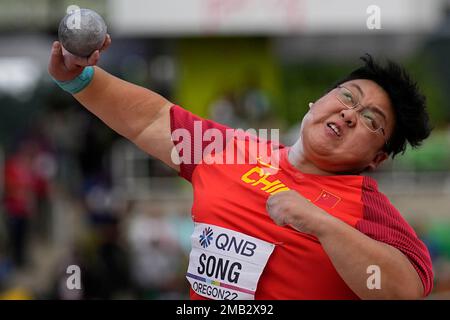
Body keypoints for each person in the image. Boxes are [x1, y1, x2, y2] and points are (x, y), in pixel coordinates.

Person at [48, 35, 433, 300]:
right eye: (348, 96)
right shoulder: (230, 150)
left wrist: (320, 222)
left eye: (371, 120)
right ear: (317, 101)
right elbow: (151, 119)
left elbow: (406, 289)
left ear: (376, 159)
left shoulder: (365, 208)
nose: (350, 114)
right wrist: (80, 78)